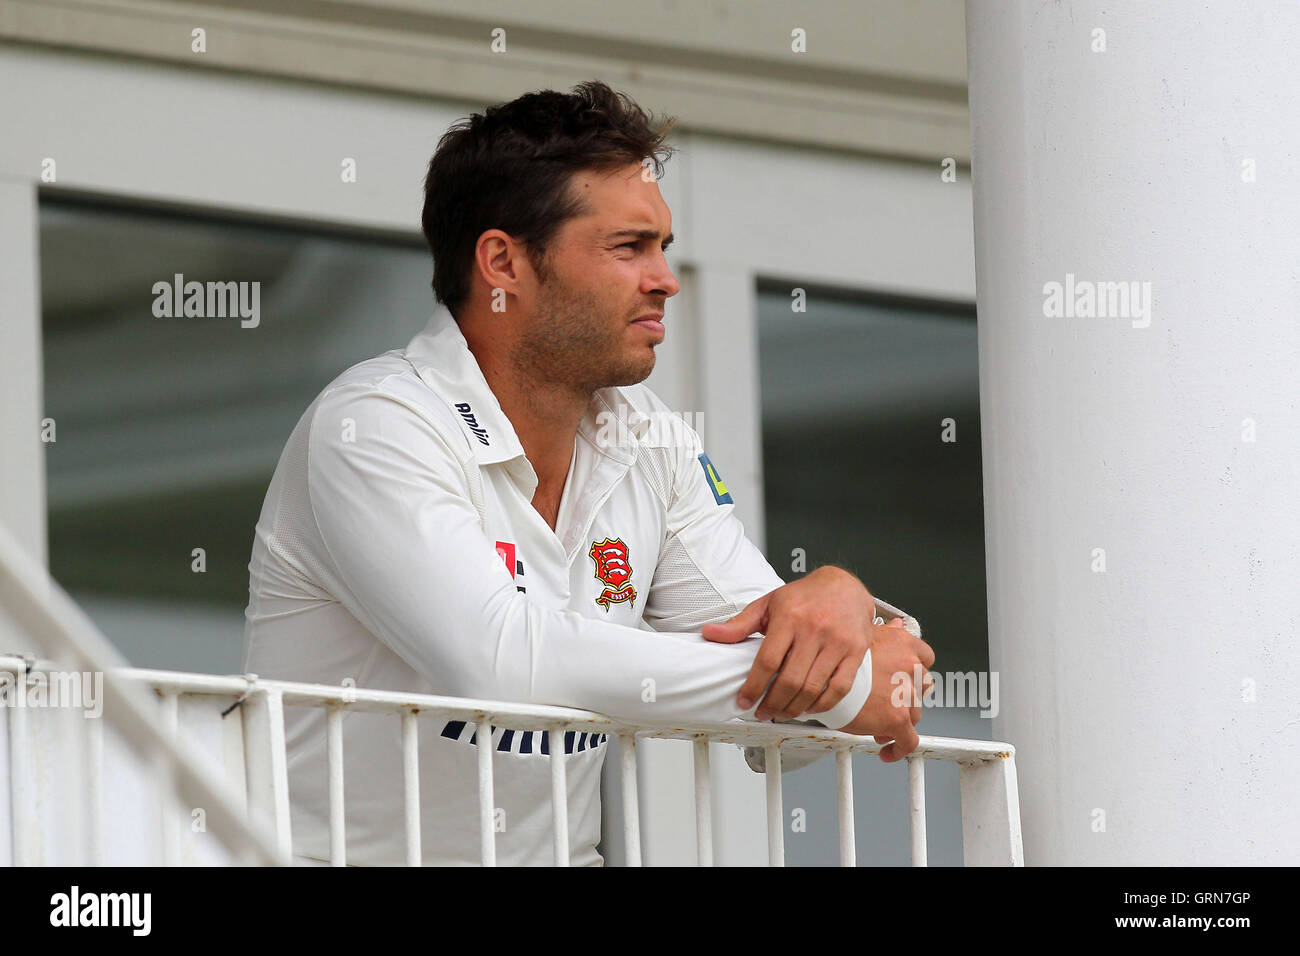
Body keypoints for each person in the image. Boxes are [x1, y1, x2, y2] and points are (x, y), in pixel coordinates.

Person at [242, 79, 934, 866]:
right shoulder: (373, 421)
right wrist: (843, 681)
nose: (665, 279)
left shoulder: (654, 442)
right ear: (502, 261)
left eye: (663, 247)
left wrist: (847, 616)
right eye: (628, 247)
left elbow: (787, 732)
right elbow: (501, 664)